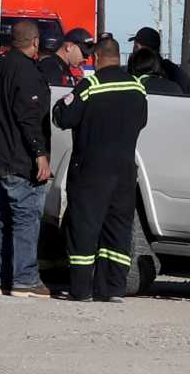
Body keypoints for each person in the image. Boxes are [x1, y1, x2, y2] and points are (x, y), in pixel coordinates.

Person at [52, 37, 149, 302]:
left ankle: (81, 290)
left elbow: (63, 117)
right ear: (119, 57)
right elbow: (141, 121)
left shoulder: (90, 86)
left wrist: (60, 106)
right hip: (125, 171)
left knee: (85, 227)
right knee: (118, 228)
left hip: (92, 170)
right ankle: (113, 288)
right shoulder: (137, 88)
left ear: (97, 58)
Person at [0, 19, 53, 298]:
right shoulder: (27, 72)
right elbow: (29, 118)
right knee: (25, 219)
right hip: (19, 159)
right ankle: (23, 280)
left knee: (1, 219)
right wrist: (40, 154)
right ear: (35, 43)